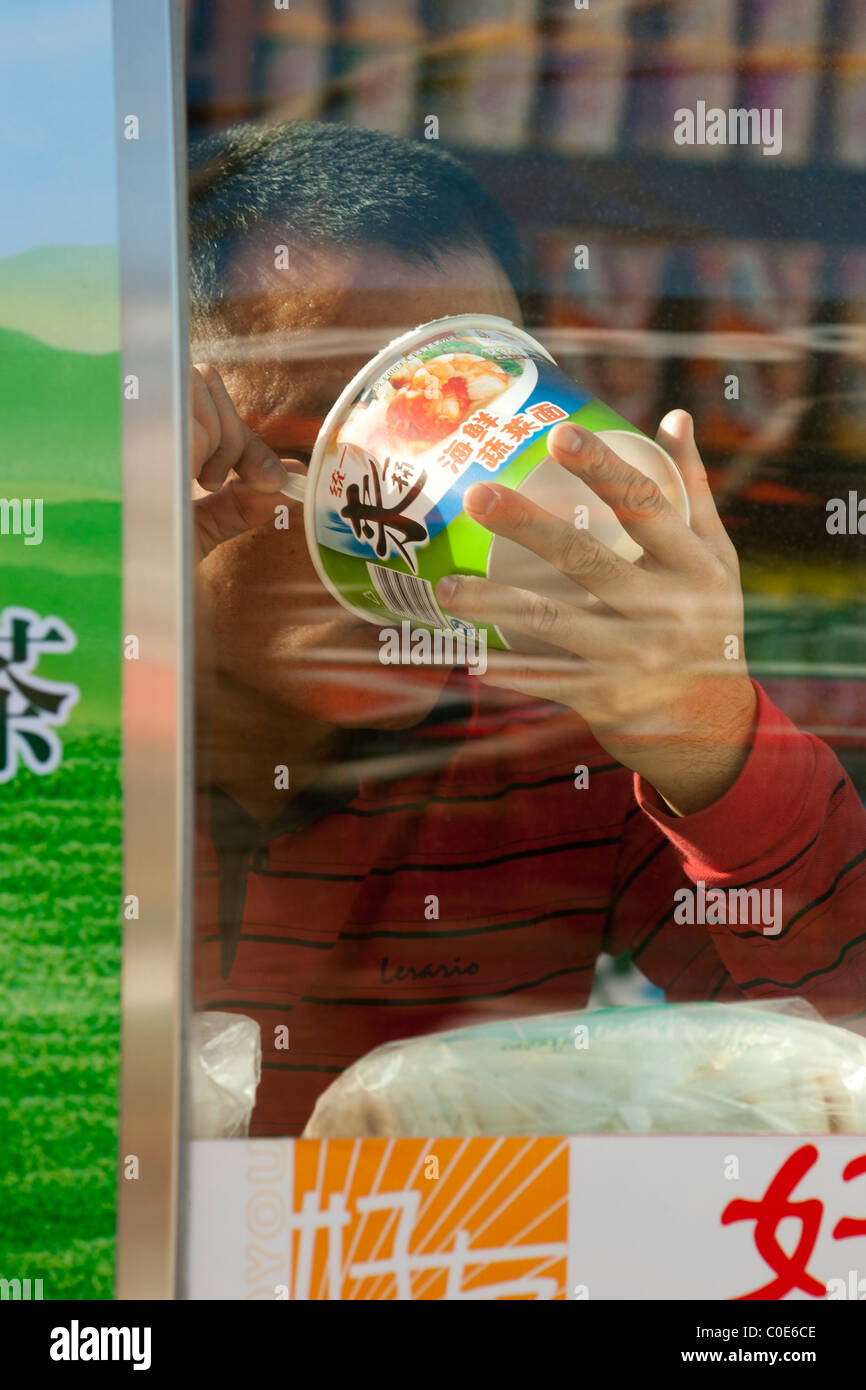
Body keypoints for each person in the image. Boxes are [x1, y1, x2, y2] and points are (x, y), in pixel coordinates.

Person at [188, 121, 866, 1137]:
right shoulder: (48, 694)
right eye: (346, 460)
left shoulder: (558, 743)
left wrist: (711, 737)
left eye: (464, 444)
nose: (408, 536)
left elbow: (834, 1064)